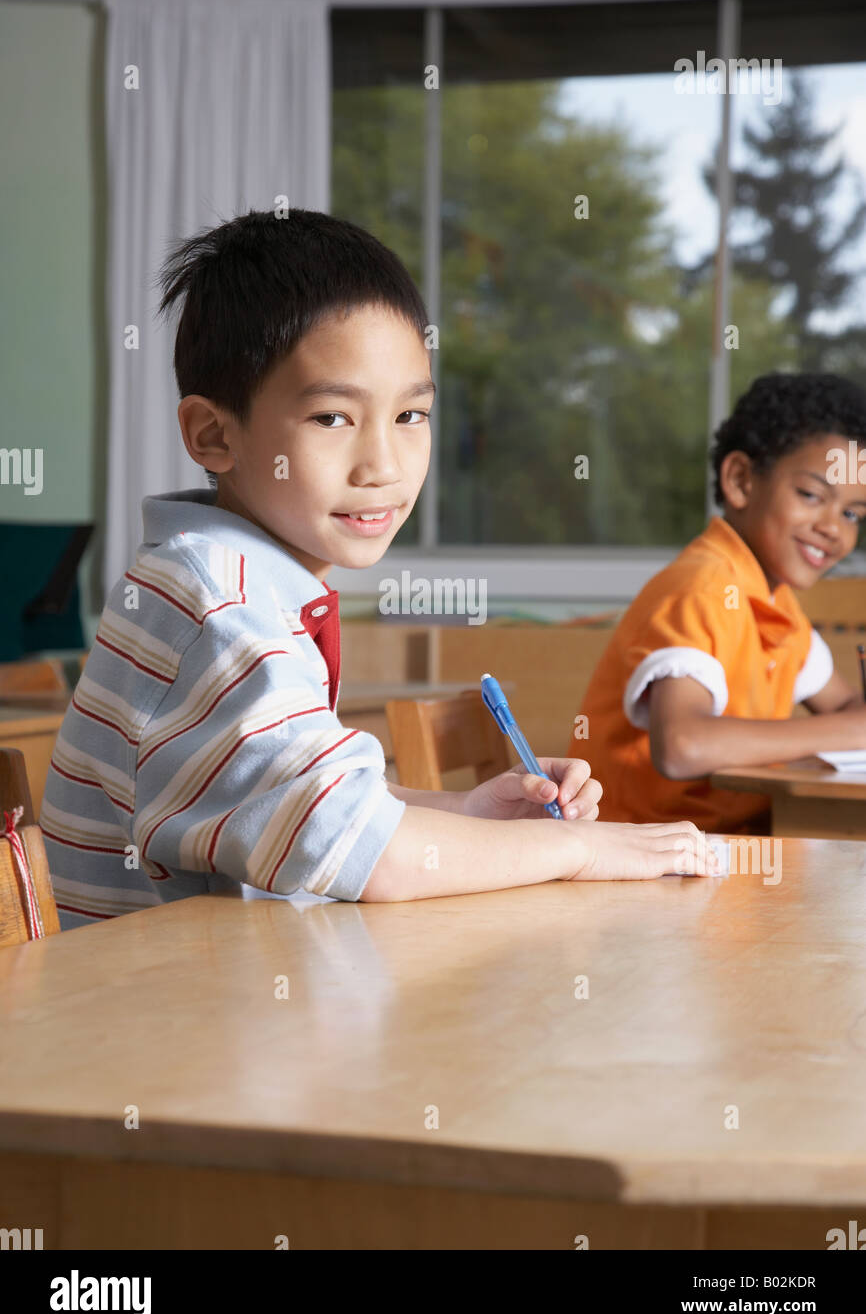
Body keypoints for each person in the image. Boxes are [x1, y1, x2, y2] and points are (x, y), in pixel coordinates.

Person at [41, 208, 716, 929]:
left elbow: (296, 802)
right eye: (333, 418)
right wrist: (580, 849)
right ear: (214, 434)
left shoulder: (228, 578)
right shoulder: (215, 599)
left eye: (410, 417)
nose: (384, 467)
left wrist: (468, 813)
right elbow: (368, 852)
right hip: (143, 1023)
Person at [568, 372, 866, 831]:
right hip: (637, 863)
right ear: (741, 480)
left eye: (852, 513)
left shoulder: (776, 605)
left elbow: (846, 706)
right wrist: (850, 732)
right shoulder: (704, 587)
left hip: (719, 853)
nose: (835, 528)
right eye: (811, 495)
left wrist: (853, 724)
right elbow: (684, 745)